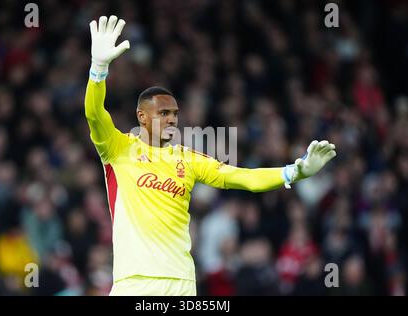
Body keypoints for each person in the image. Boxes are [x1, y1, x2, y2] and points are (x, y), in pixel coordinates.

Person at [84, 15, 337, 296]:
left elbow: (243, 178)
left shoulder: (188, 160)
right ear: (142, 116)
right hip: (134, 281)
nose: (171, 120)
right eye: (163, 114)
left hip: (181, 282)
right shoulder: (119, 149)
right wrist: (99, 69)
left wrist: (295, 171)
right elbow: (94, 114)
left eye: (175, 114)